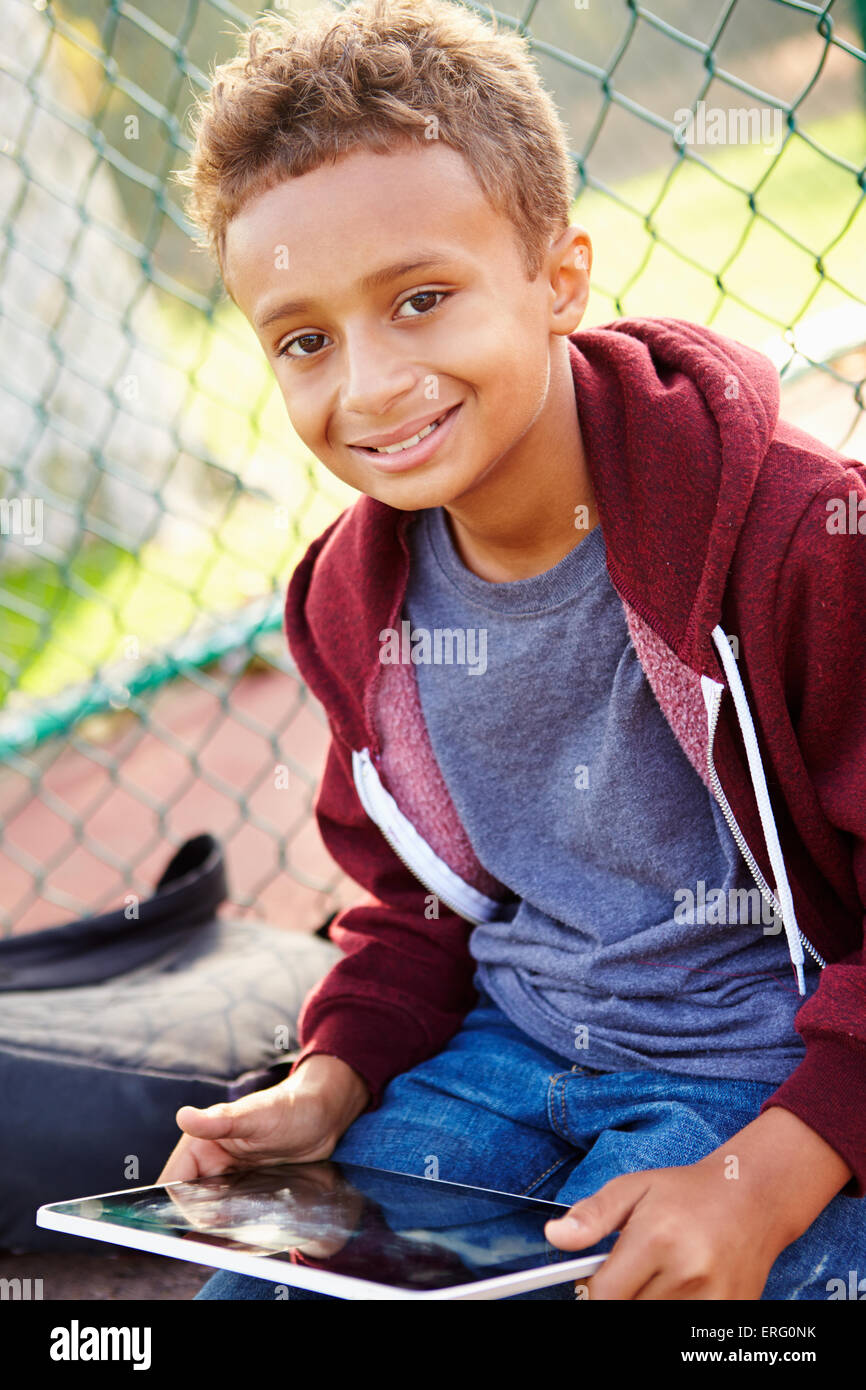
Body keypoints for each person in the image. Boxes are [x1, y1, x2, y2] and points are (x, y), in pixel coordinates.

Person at [159, 0, 866, 1300]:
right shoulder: (348, 604)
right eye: (303, 339)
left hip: (764, 1074)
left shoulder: (797, 535)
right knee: (263, 1288)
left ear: (559, 276)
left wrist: (772, 1176)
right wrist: (335, 1073)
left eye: (420, 300)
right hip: (508, 1052)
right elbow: (422, 901)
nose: (368, 384)